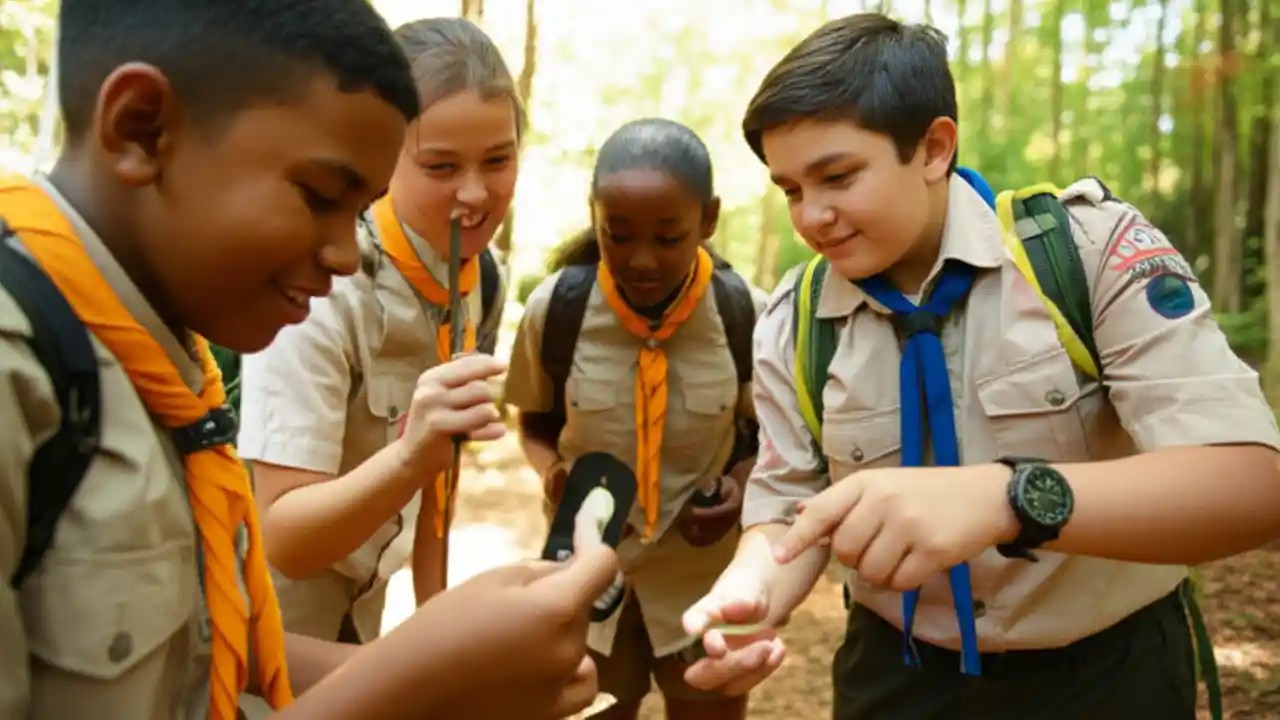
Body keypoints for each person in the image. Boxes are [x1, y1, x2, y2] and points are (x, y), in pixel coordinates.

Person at [0, 2, 611, 719]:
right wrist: (414, 684)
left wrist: (466, 671)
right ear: (141, 128)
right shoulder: (25, 378)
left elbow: (208, 646)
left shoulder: (158, 357)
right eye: (321, 198)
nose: (348, 255)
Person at [680, 12, 1280, 720]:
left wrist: (1007, 499)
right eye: (790, 190)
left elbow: (1250, 482)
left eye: (836, 176)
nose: (811, 217)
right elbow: (786, 507)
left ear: (933, 148)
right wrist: (750, 593)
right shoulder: (794, 320)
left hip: (1108, 675)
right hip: (897, 674)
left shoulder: (1083, 255)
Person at [235, 17, 517, 662]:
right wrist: (410, 456)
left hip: (360, 611)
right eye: (440, 166)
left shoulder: (479, 279)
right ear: (385, 158)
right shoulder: (321, 288)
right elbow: (286, 536)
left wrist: (436, 624)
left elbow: (438, 483)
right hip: (270, 625)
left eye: (497, 160)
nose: (474, 194)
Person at [504, 118, 766, 720]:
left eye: (669, 238)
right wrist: (554, 475)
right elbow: (536, 422)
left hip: (702, 581)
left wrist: (740, 488)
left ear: (708, 219)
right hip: (592, 577)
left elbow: (773, 439)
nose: (640, 260)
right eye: (617, 236)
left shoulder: (743, 314)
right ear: (594, 217)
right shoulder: (558, 310)